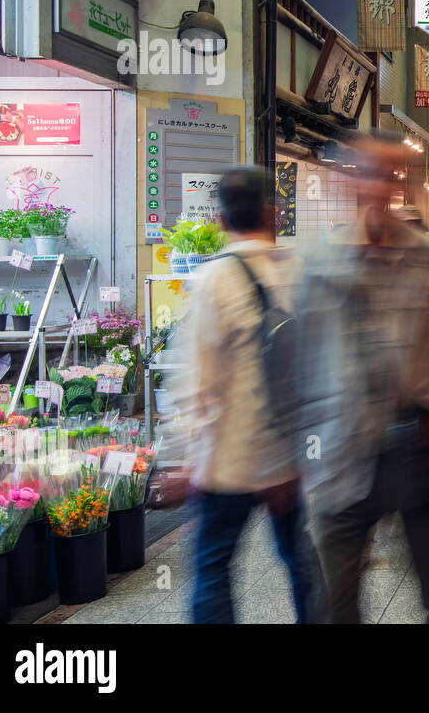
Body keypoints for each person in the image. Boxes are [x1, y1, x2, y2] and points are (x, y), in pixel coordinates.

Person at [295, 136, 429, 623]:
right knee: (336, 600)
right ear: (348, 180)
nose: (376, 185)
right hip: (342, 450)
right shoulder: (318, 261)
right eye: (366, 173)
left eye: (387, 174)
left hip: (419, 446)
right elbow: (298, 362)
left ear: (396, 182)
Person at [173, 166, 319, 624]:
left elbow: (196, 382)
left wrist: (184, 457)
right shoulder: (302, 272)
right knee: (303, 567)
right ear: (273, 215)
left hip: (228, 459)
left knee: (213, 567)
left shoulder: (213, 280)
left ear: (220, 219)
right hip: (290, 458)